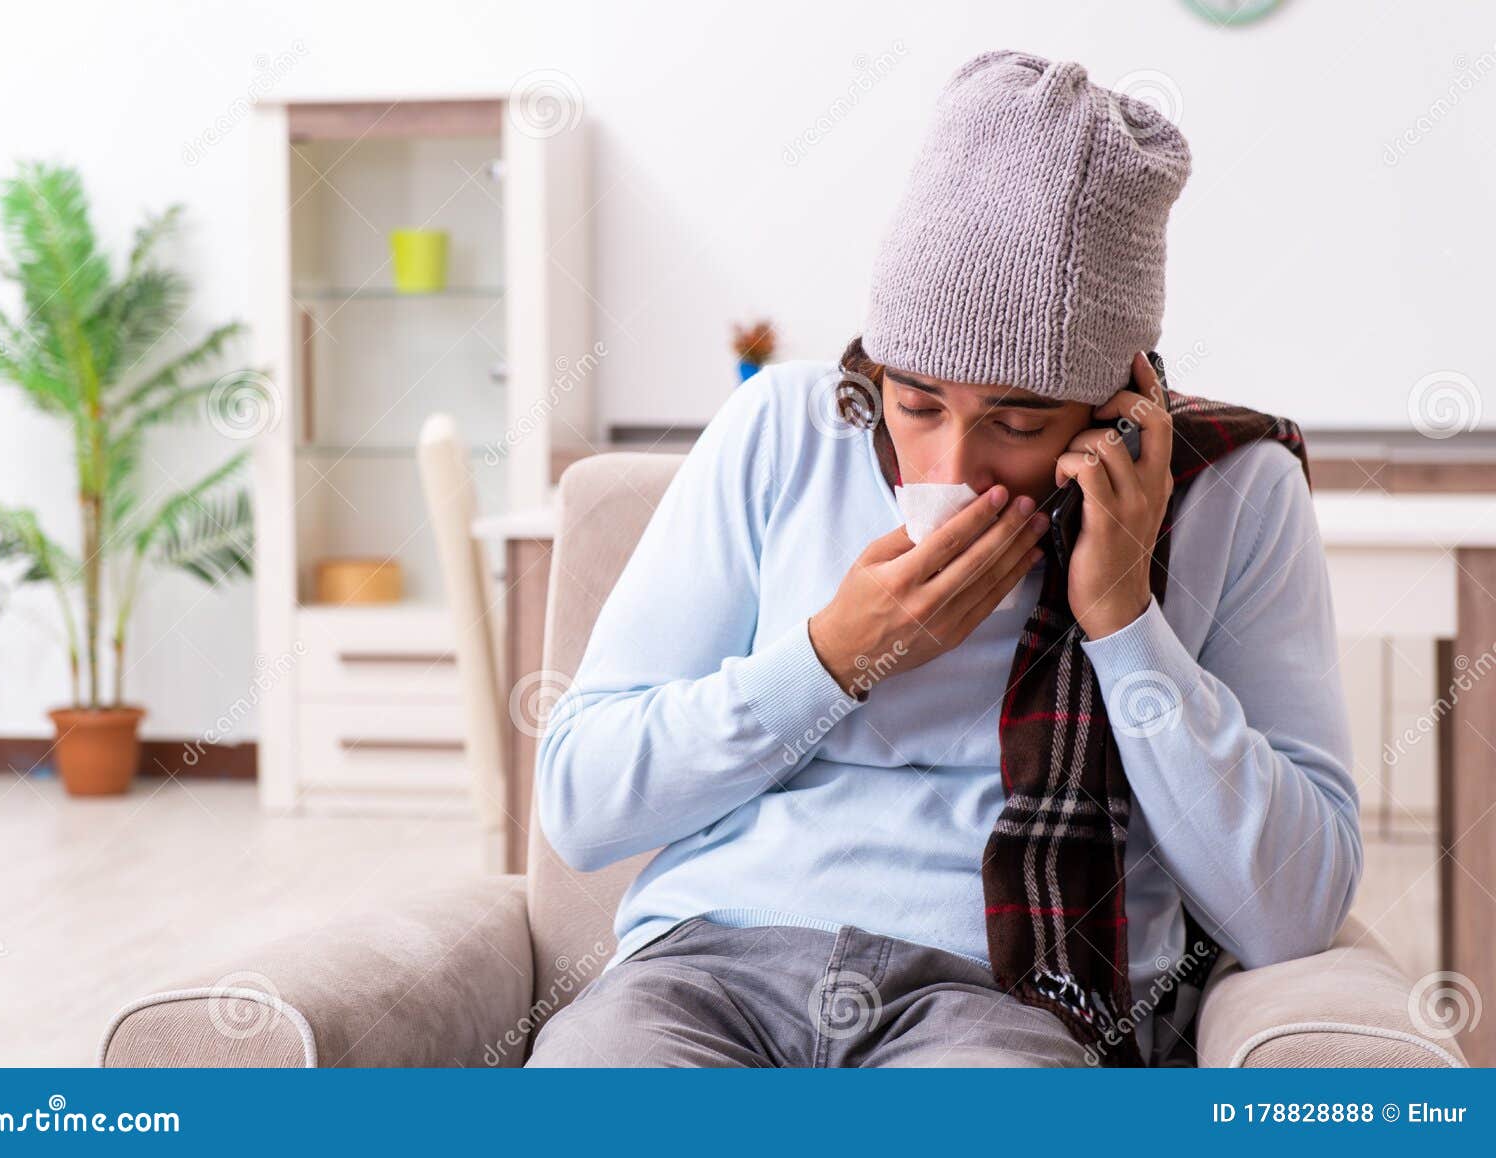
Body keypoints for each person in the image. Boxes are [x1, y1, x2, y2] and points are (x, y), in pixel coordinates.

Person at [525, 50, 1362, 1068]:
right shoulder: (783, 429)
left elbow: (1294, 911)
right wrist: (832, 658)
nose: (952, 468)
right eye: (916, 402)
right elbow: (580, 804)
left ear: (1119, 403)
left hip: (1003, 996)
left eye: (1016, 419)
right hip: (707, 966)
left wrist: (1123, 621)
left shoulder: (1229, 489)